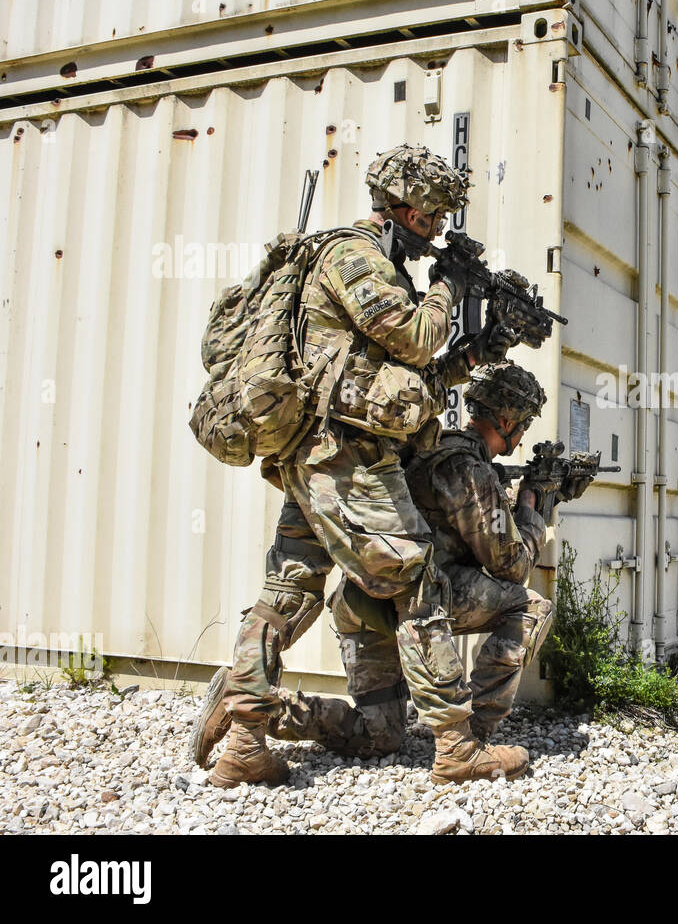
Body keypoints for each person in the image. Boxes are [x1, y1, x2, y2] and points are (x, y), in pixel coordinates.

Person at [192, 144, 514, 787]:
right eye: (429, 217)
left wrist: (471, 357)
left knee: (287, 592)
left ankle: (245, 738)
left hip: (320, 460)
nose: (434, 231)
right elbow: (416, 338)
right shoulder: (354, 254)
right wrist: (450, 288)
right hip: (345, 460)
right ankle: (455, 747)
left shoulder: (373, 264)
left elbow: (401, 369)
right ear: (401, 204)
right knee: (414, 578)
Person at [221, 363, 594, 784]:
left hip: (361, 606)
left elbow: (452, 518)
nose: (522, 434)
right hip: (417, 607)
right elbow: (511, 564)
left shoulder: (429, 448)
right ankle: (473, 738)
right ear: (507, 421)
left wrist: (510, 498)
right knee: (531, 609)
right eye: (522, 425)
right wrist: (531, 509)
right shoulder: (467, 468)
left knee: (380, 736)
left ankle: (260, 703)